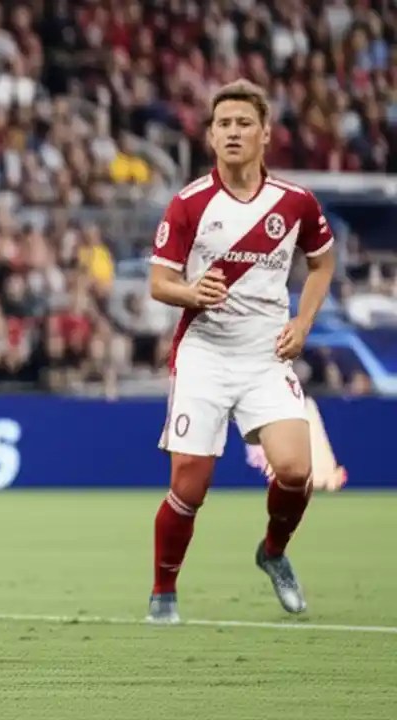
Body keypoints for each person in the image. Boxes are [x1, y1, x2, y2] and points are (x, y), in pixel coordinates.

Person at [146, 80, 336, 624]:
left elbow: (323, 262)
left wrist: (303, 321)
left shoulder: (295, 202)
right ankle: (164, 591)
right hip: (204, 354)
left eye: (243, 123)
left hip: (265, 355)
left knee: (296, 470)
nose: (233, 132)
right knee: (190, 482)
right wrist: (191, 292)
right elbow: (160, 282)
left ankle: (273, 552)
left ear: (265, 134)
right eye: (223, 124)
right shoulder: (189, 204)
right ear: (210, 136)